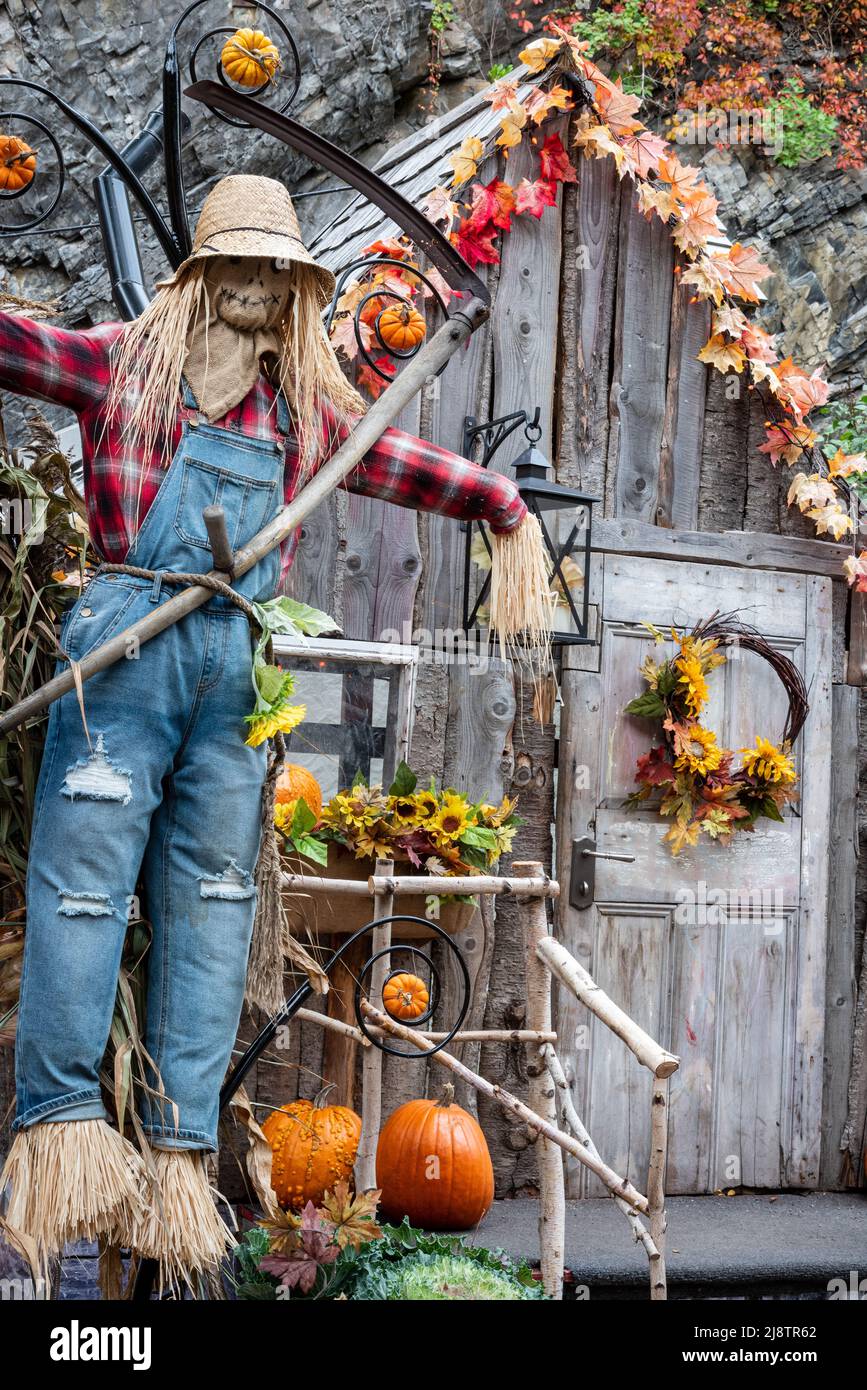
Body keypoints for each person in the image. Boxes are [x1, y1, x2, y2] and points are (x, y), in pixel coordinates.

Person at [0, 173, 547, 1285]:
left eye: (275, 271)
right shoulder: (119, 366)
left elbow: (397, 464)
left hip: (237, 676)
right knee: (83, 887)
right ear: (201, 275)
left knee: (210, 907)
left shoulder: (300, 415)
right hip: (128, 643)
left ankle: (177, 1159)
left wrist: (500, 502)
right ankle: (63, 1128)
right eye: (236, 265)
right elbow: (17, 345)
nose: (253, 285)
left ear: (294, 290)